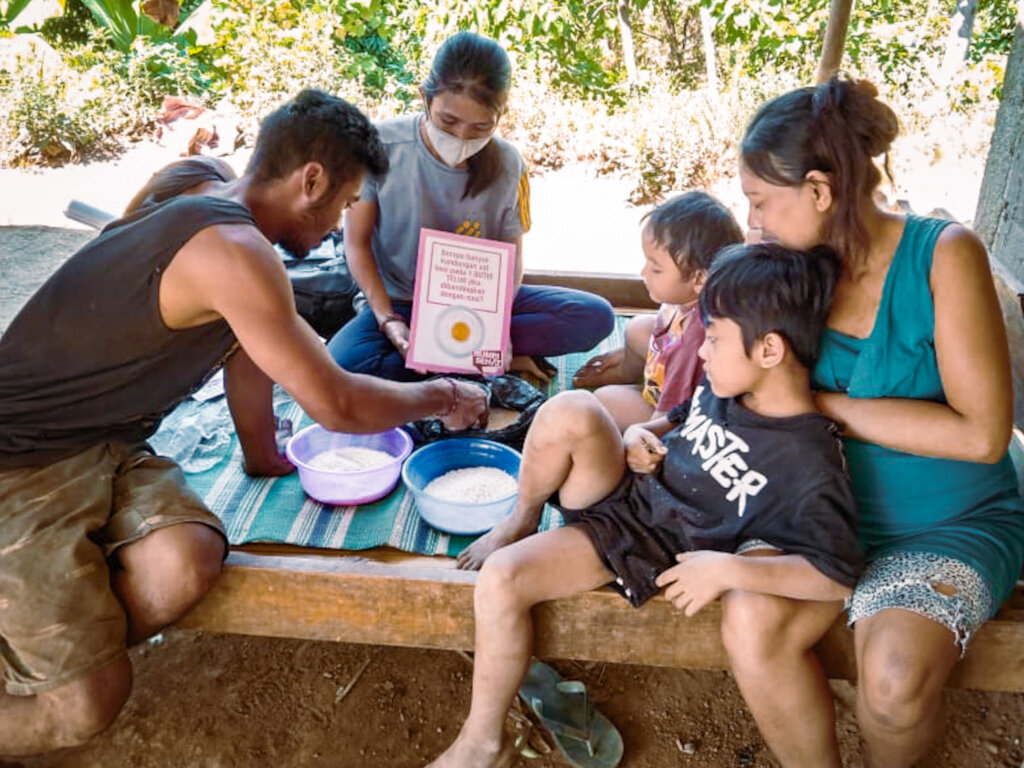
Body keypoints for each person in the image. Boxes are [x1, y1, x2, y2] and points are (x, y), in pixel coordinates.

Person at [0, 89, 488, 757]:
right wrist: (440, 395)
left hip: (104, 442)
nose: (340, 224)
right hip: (19, 460)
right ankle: (44, 664)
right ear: (309, 180)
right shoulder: (236, 253)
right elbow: (337, 405)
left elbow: (243, 349)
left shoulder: (201, 186)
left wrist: (264, 454)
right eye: (343, 204)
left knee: (187, 562)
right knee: (85, 706)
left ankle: (46, 640)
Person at [428, 243, 863, 768]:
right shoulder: (729, 388)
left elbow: (835, 574)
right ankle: (483, 737)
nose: (702, 350)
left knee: (502, 579)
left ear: (769, 350)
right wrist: (640, 431)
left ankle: (486, 745)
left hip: (650, 548)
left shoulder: (806, 459)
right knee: (571, 407)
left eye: (715, 339)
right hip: (626, 502)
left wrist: (727, 570)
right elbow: (675, 416)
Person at [737, 74, 1024, 768]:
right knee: (752, 619)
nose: (754, 222)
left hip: (946, 524)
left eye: (760, 203)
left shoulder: (943, 255)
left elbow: (982, 435)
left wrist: (826, 407)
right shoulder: (790, 271)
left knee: (892, 684)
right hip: (824, 516)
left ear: (818, 191)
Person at [328, 31, 615, 382]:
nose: (461, 138)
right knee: (342, 362)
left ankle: (448, 361)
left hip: (480, 306)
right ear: (424, 97)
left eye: (480, 127)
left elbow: (512, 257)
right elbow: (355, 244)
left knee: (593, 316)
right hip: (402, 303)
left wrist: (494, 329)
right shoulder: (380, 146)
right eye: (448, 122)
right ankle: (479, 364)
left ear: (500, 116)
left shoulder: (510, 165)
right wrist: (387, 319)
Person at [570, 190, 743, 430]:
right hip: (665, 374)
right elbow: (660, 334)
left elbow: (671, 416)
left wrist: (643, 440)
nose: (643, 273)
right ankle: (626, 372)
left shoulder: (694, 340)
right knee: (637, 328)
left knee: (601, 400)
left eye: (656, 268)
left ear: (699, 278)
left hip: (675, 413)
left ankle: (636, 387)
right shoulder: (684, 299)